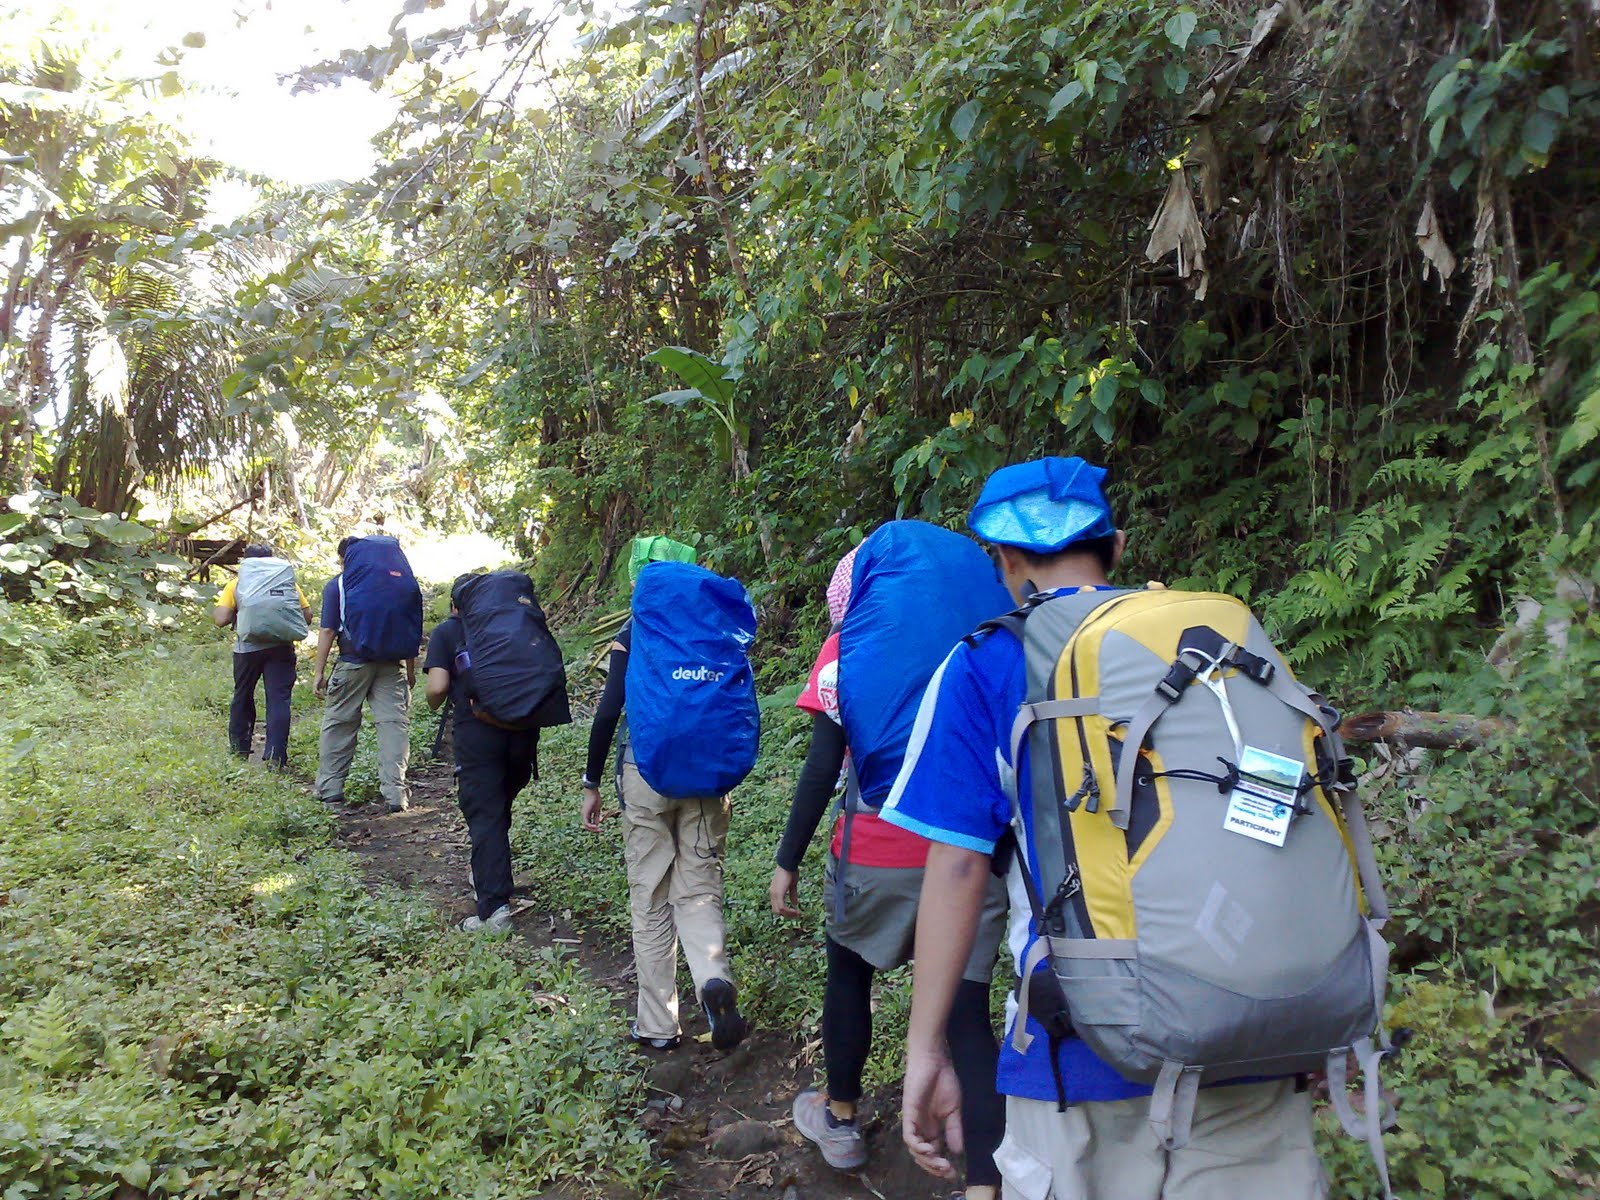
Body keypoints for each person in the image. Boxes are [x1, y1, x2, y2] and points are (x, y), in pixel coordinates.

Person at [882, 457, 1327, 1200]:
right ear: (1117, 546)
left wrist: (927, 1047)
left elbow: (958, 869)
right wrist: (1306, 998)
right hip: (1254, 1033)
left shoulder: (989, 663)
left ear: (1009, 561)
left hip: (1078, 1050)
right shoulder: (1222, 644)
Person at [769, 532, 1009, 1199]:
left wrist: (786, 859)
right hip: (968, 856)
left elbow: (823, 766)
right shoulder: (983, 642)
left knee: (848, 975)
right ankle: (986, 1184)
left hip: (872, 854)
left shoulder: (847, 648)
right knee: (966, 1017)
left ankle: (840, 1119)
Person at [579, 537, 748, 1053]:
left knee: (651, 898)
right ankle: (712, 977)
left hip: (646, 772)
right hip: (705, 776)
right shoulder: (716, 628)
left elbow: (610, 711)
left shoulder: (638, 631)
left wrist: (590, 781)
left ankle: (657, 1024)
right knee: (697, 890)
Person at [425, 571, 566, 933]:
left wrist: (432, 700)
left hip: (478, 734)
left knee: (484, 814)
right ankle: (490, 875)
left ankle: (494, 910)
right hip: (523, 730)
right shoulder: (514, 625)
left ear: (456, 604)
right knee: (498, 807)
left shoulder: (447, 632)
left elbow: (437, 687)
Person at [313, 535, 420, 812]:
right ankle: (396, 794)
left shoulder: (338, 584)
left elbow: (327, 630)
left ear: (344, 559)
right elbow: (410, 629)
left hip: (352, 662)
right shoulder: (400, 583)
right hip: (392, 664)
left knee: (340, 723)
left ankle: (330, 791)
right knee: (393, 725)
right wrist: (410, 671)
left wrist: (319, 672)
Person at [211, 543, 311, 767]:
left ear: (245, 562)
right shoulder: (287, 583)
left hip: (247, 650)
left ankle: (239, 751)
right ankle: (276, 756)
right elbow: (307, 616)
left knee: (243, 696)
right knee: (278, 700)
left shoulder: (236, 584)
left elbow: (221, 619)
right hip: (282, 648)